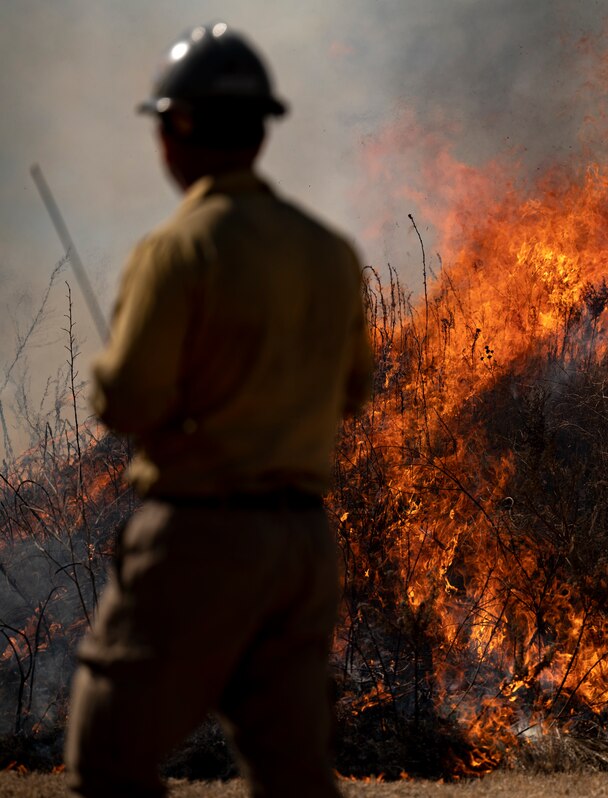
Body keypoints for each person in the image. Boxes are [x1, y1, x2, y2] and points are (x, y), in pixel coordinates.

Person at [65, 23, 374, 798]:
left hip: (202, 536)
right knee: (294, 775)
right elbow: (354, 390)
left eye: (165, 124)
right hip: (303, 545)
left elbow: (129, 399)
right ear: (261, 131)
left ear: (183, 128)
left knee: (108, 761)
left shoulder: (180, 250)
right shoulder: (328, 251)